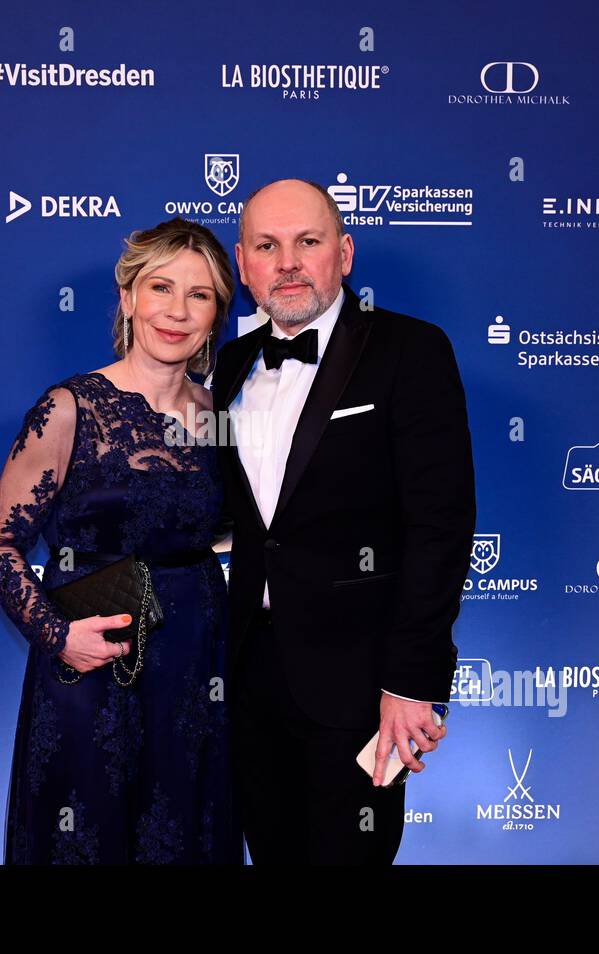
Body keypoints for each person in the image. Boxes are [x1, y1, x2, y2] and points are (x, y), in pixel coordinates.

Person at [211, 178, 477, 864]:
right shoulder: (228, 366)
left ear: (345, 252)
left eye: (308, 241)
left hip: (362, 684)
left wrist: (411, 683)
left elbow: (440, 527)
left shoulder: (410, 349)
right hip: (246, 677)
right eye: (267, 246)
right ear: (243, 265)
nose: (288, 263)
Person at [0, 217, 243, 864]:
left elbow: (233, 532)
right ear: (128, 298)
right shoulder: (70, 407)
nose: (177, 311)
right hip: (93, 662)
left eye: (199, 295)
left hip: (194, 667)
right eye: (160, 288)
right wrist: (58, 635)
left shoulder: (223, 417)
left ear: (217, 315)